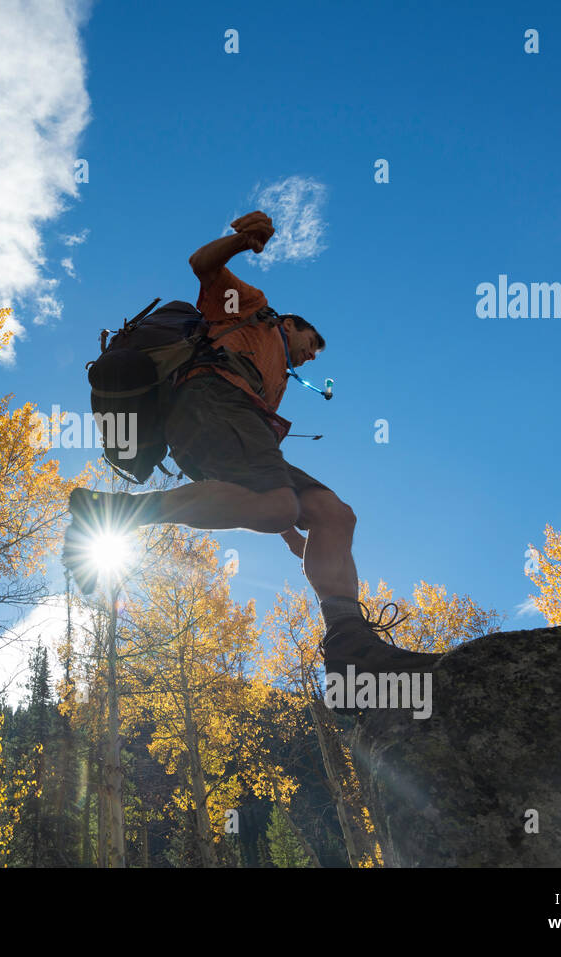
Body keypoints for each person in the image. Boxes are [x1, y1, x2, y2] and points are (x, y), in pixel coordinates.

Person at [63, 211, 441, 677]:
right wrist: (242, 241)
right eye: (310, 342)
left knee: (333, 515)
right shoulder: (253, 307)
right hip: (209, 402)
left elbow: (256, 470)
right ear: (289, 323)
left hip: (241, 425)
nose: (309, 353)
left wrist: (286, 533)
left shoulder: (276, 379)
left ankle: (350, 648)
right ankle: (113, 514)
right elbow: (202, 263)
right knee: (278, 506)